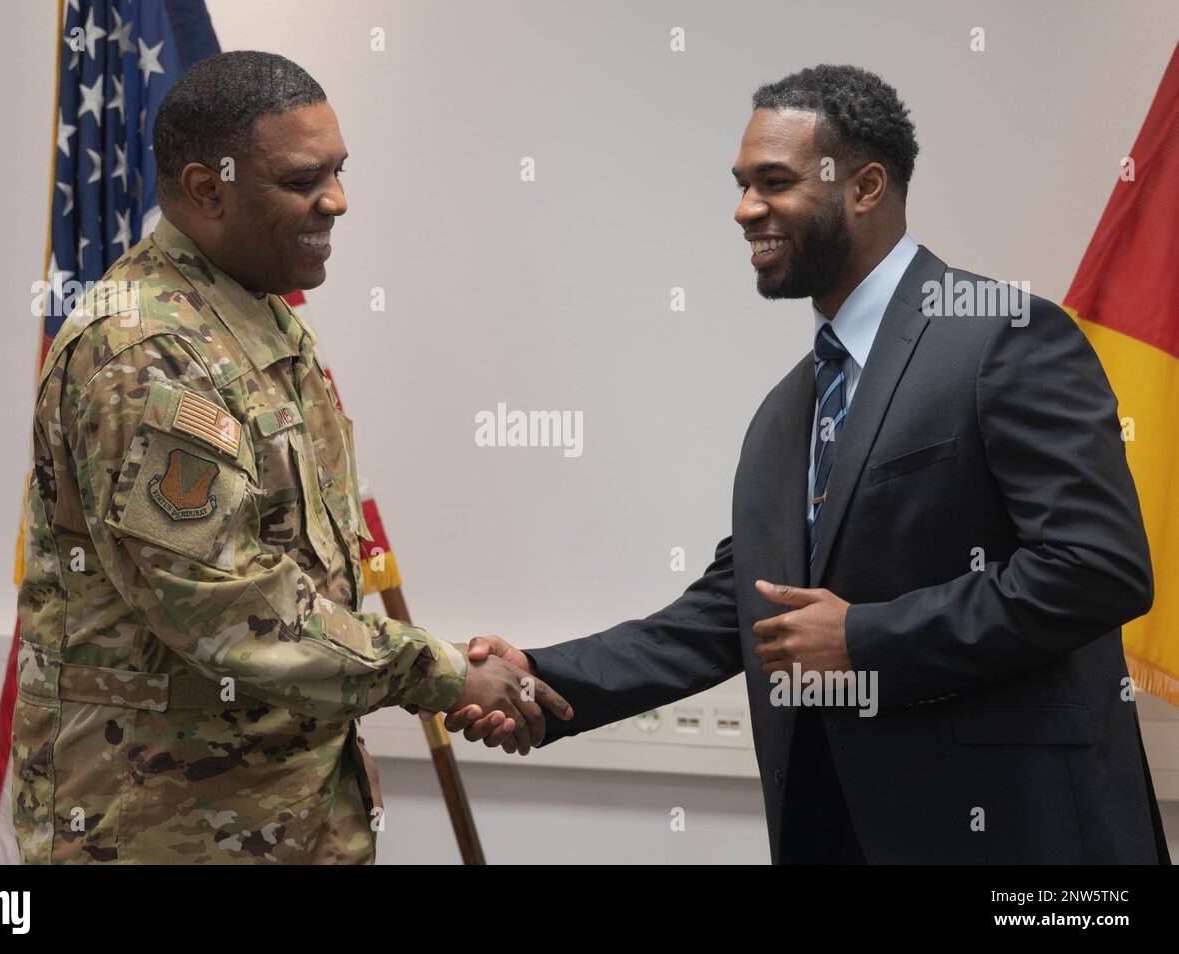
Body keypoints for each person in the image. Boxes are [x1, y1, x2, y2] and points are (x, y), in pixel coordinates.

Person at [449, 64, 1169, 864]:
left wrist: (866, 638)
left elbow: (1098, 570)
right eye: (741, 184)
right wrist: (542, 679)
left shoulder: (1003, 336)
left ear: (864, 186)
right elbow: (737, 610)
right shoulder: (786, 410)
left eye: (774, 182)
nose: (745, 209)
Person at [13, 50, 569, 864]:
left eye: (339, 172)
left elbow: (300, 567)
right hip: (160, 831)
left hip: (277, 814)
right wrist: (447, 674)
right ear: (208, 189)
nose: (336, 201)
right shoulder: (149, 353)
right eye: (304, 180)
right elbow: (230, 611)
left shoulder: (253, 317)